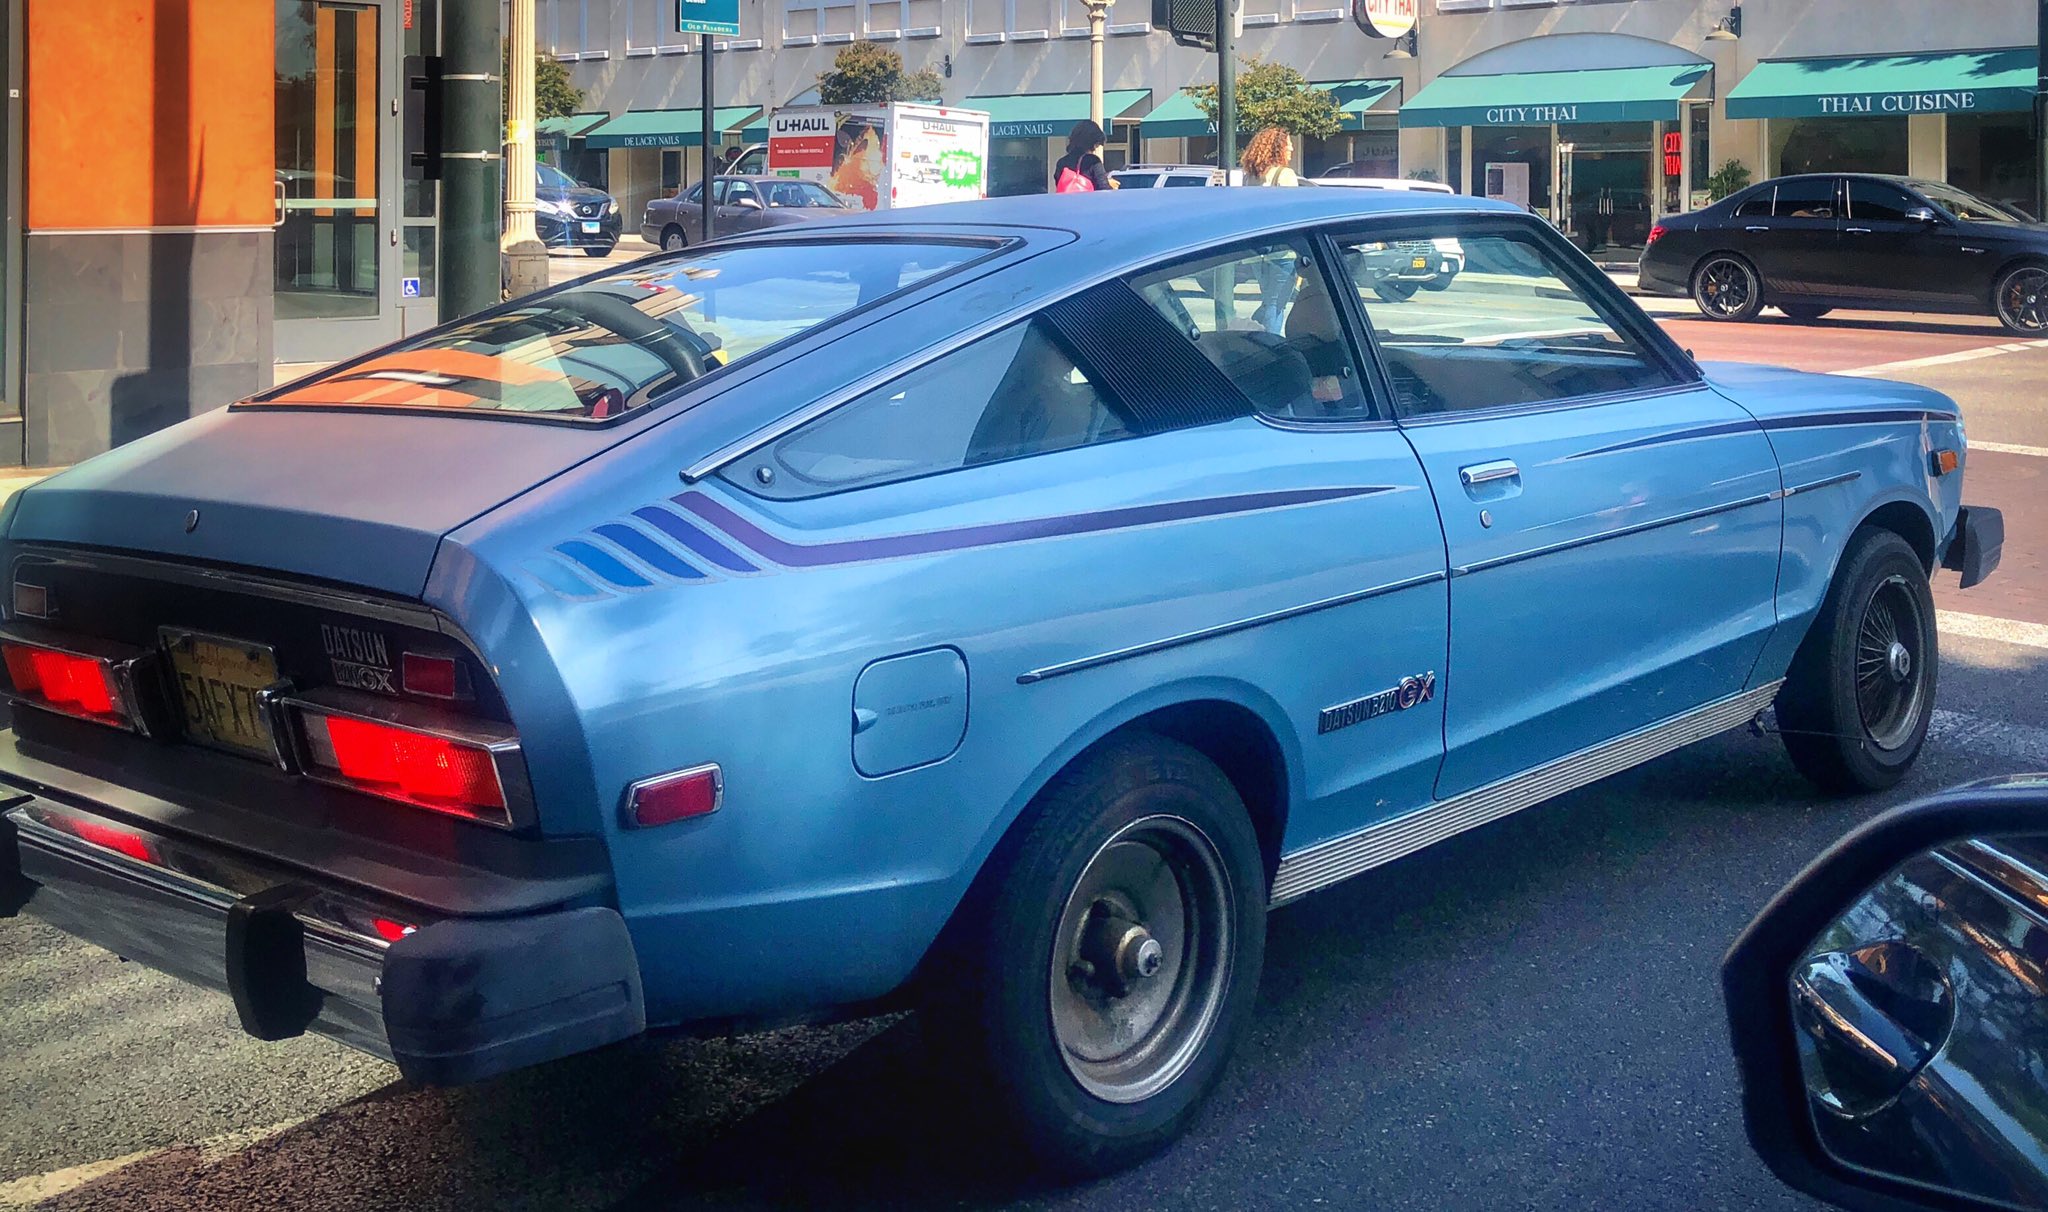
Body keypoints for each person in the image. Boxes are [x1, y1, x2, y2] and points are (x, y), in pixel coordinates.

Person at [1052, 120, 1117, 194]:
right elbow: (1103, 189)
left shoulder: (1061, 162)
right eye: (1096, 145)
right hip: (1088, 204)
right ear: (1091, 143)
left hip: (1067, 204)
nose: (1095, 149)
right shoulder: (1093, 162)